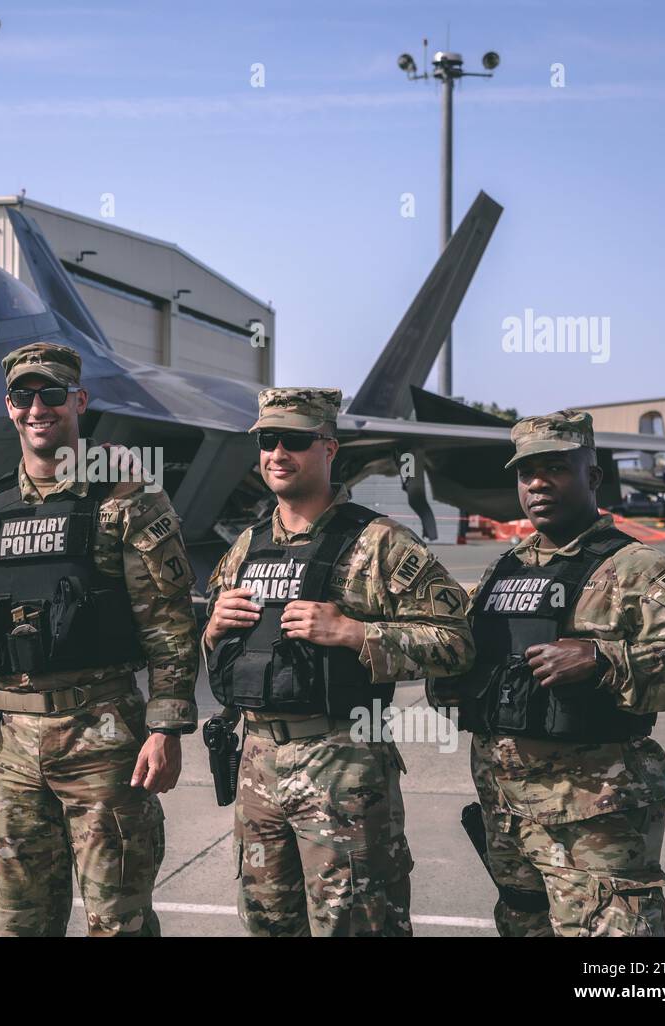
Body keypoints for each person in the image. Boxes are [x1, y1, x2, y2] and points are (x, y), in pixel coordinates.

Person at [431, 410, 665, 936]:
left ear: (592, 476)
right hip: (506, 812)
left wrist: (601, 659)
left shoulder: (639, 570)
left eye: (557, 468)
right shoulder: (505, 569)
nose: (538, 483)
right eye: (527, 473)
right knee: (523, 925)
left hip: (595, 817)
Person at [0, 341, 199, 937]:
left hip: (103, 736)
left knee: (117, 921)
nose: (38, 407)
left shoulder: (125, 500)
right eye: (23, 396)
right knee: (18, 922)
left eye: (52, 394)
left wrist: (165, 726)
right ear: (9, 407)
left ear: (79, 401)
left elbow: (169, 623)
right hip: (11, 746)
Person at [204, 387, 474, 937]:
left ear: (328, 448)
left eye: (295, 440)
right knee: (267, 923)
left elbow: (456, 643)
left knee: (355, 925)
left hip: (343, 767)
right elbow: (220, 649)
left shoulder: (380, 544)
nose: (278, 453)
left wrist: (354, 632)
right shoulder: (245, 547)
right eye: (267, 440)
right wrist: (210, 630)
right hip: (256, 764)